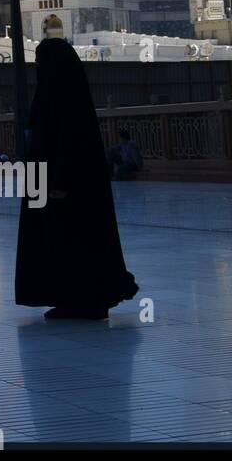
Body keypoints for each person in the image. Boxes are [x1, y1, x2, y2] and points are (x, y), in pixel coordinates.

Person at [16, 37, 139, 321]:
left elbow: (69, 145)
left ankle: (82, 299)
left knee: (71, 238)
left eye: (40, 63)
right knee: (53, 237)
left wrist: (57, 182)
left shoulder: (66, 101)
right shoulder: (59, 96)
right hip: (47, 179)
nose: (38, 68)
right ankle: (72, 297)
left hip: (62, 185)